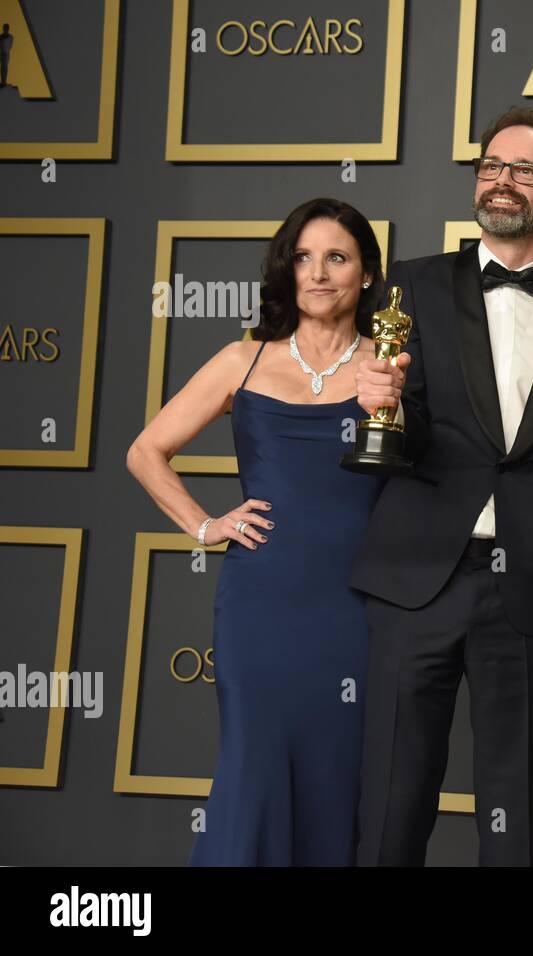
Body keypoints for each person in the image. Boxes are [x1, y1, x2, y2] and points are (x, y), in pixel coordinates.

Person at [350, 107, 533, 866]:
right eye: (491, 166)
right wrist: (374, 403)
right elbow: (397, 433)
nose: (502, 181)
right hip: (416, 576)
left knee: (513, 806)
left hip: (525, 589)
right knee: (391, 798)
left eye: (525, 170)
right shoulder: (408, 286)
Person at [127, 197, 388, 865]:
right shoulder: (241, 361)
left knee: (337, 781)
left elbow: (451, 463)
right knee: (254, 774)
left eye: (337, 257)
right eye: (303, 257)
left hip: (356, 608)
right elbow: (145, 451)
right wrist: (206, 525)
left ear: (365, 273)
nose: (319, 272)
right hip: (259, 606)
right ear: (284, 270)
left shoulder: (394, 368)